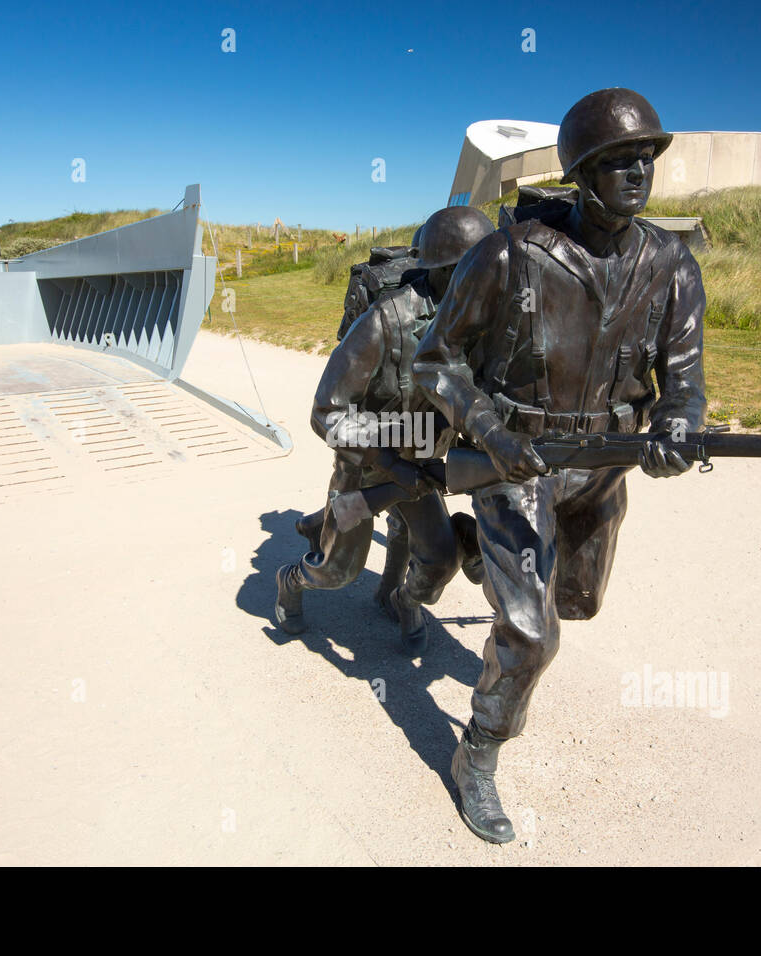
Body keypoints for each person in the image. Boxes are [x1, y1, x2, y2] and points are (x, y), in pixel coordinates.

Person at [413, 89, 707, 843]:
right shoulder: (509, 254)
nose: (638, 171)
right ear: (581, 172)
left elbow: (685, 379)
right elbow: (435, 363)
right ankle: (476, 753)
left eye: (646, 157)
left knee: (577, 603)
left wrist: (678, 424)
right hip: (518, 463)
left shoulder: (672, 263)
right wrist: (492, 434)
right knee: (534, 635)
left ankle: (479, 551)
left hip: (603, 468)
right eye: (617, 160)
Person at [275, 207, 495, 655]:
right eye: (478, 269)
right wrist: (389, 461)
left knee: (439, 559)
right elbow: (326, 412)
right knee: (338, 571)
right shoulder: (385, 320)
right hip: (368, 467)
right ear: (448, 269)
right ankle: (291, 582)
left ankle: (401, 599)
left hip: (422, 465)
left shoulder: (479, 322)